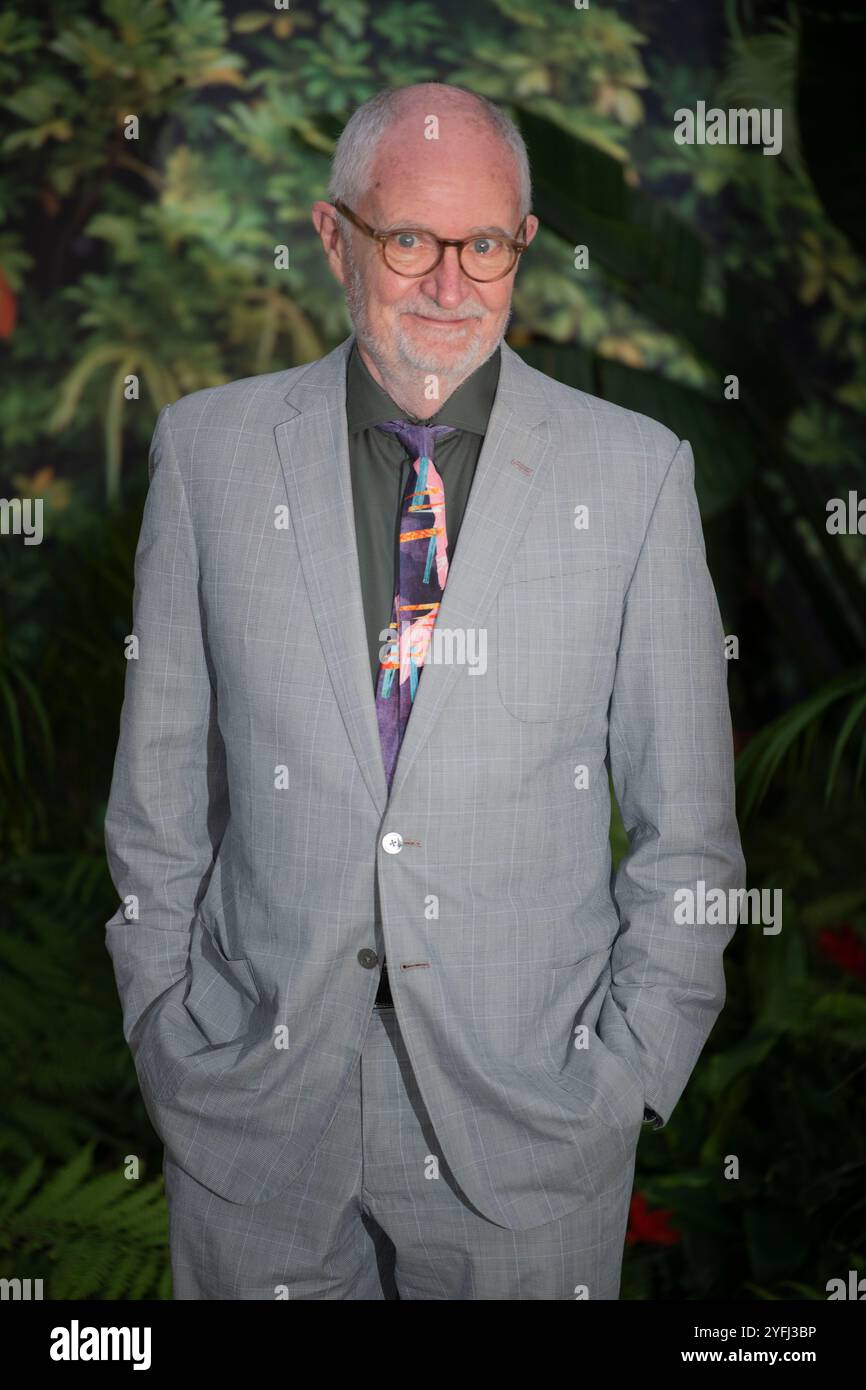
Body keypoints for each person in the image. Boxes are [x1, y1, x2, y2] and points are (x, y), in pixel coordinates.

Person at [104, 82, 746, 1300]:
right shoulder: (205, 455)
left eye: (485, 247)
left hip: (531, 1131)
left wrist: (619, 1083)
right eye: (409, 241)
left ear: (520, 250)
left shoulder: (635, 475)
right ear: (336, 237)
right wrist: (167, 1034)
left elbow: (689, 842)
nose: (450, 286)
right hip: (253, 1111)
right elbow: (160, 796)